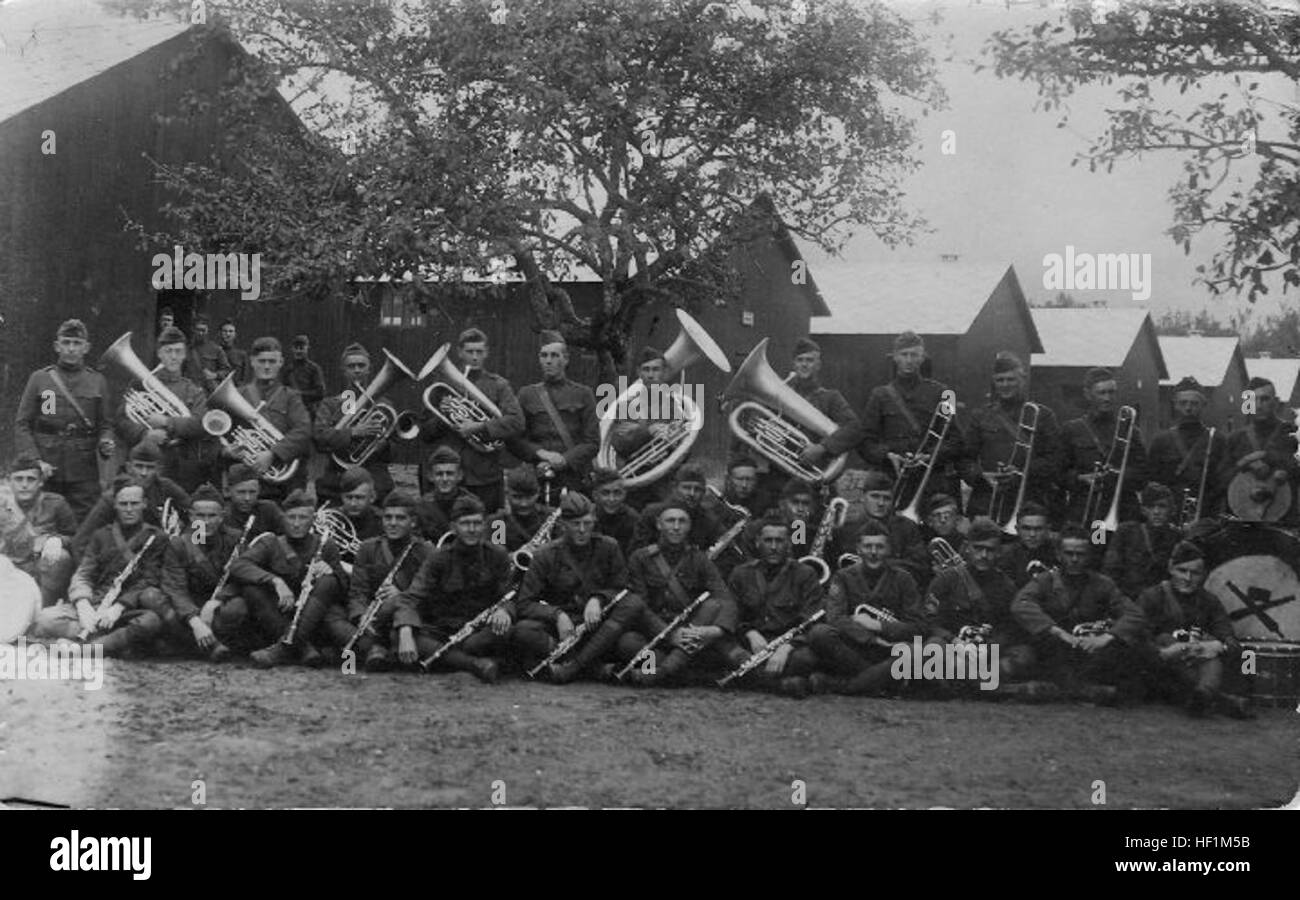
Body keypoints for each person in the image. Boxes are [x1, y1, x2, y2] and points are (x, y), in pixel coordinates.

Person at [805, 331, 964, 500]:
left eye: (914, 355)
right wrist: (887, 456)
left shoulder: (943, 393)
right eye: (904, 355)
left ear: (922, 357)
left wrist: (931, 456)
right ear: (895, 357)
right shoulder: (879, 395)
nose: (909, 360)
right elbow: (865, 441)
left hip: (930, 482)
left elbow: (956, 439)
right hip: (892, 482)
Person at [1007, 524, 1149, 702]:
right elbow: (1020, 604)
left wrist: (1105, 638)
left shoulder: (1103, 584)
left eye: (1080, 554)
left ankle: (1073, 690)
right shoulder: (1045, 581)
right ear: (1059, 554)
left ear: (1089, 555)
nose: (1074, 559)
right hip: (1054, 649)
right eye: (1069, 553)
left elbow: (1134, 614)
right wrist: (1058, 632)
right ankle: (1084, 691)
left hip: (1088, 650)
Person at [30, 476, 165, 656]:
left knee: (151, 621)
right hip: (96, 605)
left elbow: (150, 579)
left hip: (127, 610)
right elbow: (83, 574)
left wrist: (119, 607)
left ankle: (88, 649)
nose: (129, 509)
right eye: (123, 504)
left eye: (134, 503)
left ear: (144, 504)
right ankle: (113, 642)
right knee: (44, 619)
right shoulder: (101, 535)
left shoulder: (156, 538)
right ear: (115, 505)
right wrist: (83, 605)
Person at [391, 495, 519, 683]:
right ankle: (475, 664)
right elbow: (411, 597)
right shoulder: (438, 558)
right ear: (453, 526)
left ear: (484, 525)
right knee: (397, 635)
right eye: (465, 523)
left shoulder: (498, 555)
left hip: (477, 634)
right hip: (442, 629)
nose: (472, 529)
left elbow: (509, 594)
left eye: (477, 523)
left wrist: (504, 611)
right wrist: (405, 631)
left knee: (504, 631)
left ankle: (450, 660)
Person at [514, 491, 638, 682]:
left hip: (598, 625)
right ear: (563, 525)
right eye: (575, 524)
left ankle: (573, 665)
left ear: (594, 522)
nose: (582, 530)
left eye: (587, 524)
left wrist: (598, 599)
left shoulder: (609, 547)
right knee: (523, 631)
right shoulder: (546, 554)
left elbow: (623, 588)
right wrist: (557, 615)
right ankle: (593, 667)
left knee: (629, 643)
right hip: (563, 629)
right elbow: (525, 603)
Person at [620, 501, 742, 685]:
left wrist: (714, 630)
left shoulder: (699, 559)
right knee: (628, 644)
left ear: (689, 526)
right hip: (657, 633)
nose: (676, 527)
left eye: (682, 521)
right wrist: (670, 635)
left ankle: (661, 674)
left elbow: (725, 598)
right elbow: (640, 607)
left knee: (717, 620)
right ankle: (689, 675)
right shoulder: (640, 558)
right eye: (670, 521)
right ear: (659, 524)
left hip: (693, 634)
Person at [225, 490, 346, 667]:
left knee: (329, 582)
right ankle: (304, 649)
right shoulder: (271, 543)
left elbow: (343, 587)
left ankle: (284, 649)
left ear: (312, 520)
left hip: (315, 615)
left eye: (303, 518)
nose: (296, 524)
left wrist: (329, 572)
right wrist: (275, 581)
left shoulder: (326, 545)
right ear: (283, 519)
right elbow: (238, 566)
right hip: (280, 615)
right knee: (251, 590)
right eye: (291, 517)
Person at [805, 520, 927, 696]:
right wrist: (872, 639)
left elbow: (919, 626)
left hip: (892, 649)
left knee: (919, 653)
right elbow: (836, 617)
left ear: (889, 549)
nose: (874, 552)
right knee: (820, 633)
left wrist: (879, 626)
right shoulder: (843, 576)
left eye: (880, 546)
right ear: (858, 549)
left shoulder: (904, 579)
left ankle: (844, 685)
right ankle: (883, 682)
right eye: (868, 546)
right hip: (855, 648)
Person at [13, 319, 117, 518]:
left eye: (76, 344)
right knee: (43, 520)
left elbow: (106, 424)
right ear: (57, 346)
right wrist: (35, 461)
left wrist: (106, 441)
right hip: (47, 467)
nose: (71, 348)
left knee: (84, 522)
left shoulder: (97, 381)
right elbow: (22, 424)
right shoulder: (40, 379)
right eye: (66, 342)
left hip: (83, 471)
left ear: (86, 348)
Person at [1136, 541, 1252, 718]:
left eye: (1195, 573)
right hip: (1160, 670)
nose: (1188, 578)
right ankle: (1216, 698)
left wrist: (1217, 646)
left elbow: (1230, 639)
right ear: (1170, 568)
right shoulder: (1152, 597)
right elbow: (1137, 637)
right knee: (1165, 638)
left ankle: (1203, 696)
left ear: (1204, 575)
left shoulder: (1209, 601)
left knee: (1211, 655)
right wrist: (1166, 652)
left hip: (1198, 665)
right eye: (1182, 571)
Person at [418, 327, 523, 513]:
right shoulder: (441, 387)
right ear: (459, 353)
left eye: (479, 352)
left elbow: (517, 422)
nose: (474, 357)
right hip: (448, 479)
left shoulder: (498, 386)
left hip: (484, 476)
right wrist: (445, 416)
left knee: (490, 529)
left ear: (486, 353)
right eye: (469, 352)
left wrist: (479, 426)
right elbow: (425, 433)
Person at [727, 516, 823, 697]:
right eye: (768, 541)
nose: (773, 547)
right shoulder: (741, 574)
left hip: (789, 646)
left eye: (779, 541)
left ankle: (753, 680)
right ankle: (784, 686)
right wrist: (750, 633)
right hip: (751, 643)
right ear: (757, 543)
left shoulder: (806, 574)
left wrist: (786, 648)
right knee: (732, 655)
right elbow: (732, 613)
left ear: (788, 544)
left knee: (805, 659)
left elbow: (812, 619)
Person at [959, 352, 1060, 522]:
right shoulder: (980, 416)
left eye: (1011, 379)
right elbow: (964, 459)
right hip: (987, 500)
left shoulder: (1043, 415)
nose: (1005, 385)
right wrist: (982, 476)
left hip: (1029, 501)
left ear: (1022, 379)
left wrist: (1021, 473)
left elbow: (1056, 460)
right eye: (1000, 380)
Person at [922, 517, 1018, 694]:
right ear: (967, 547)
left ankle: (965, 684)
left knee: (1024, 655)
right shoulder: (946, 579)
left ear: (998, 552)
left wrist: (989, 649)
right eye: (978, 548)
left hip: (987, 652)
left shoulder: (1006, 586)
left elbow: (1009, 628)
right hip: (954, 647)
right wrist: (954, 640)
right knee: (932, 648)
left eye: (990, 550)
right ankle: (993, 687)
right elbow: (929, 621)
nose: (983, 555)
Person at [116, 325, 216, 492]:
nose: (173, 356)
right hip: (145, 463)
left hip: (181, 465)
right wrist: (146, 434)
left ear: (184, 355)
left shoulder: (193, 390)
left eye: (178, 351)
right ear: (159, 353)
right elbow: (121, 421)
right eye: (168, 351)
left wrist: (166, 421)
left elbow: (200, 424)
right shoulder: (140, 385)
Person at [343, 489, 434, 672]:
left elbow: (430, 597)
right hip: (374, 620)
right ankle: (381, 649)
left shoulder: (425, 552)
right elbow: (357, 592)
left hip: (413, 619)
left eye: (400, 518)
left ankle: (381, 649)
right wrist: (361, 616)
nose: (392, 523)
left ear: (413, 521)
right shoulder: (367, 548)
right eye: (388, 518)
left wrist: (400, 597)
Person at [508, 330, 600, 495]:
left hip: (573, 477)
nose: (548, 361)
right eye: (544, 356)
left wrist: (565, 460)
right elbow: (514, 438)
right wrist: (541, 454)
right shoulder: (526, 394)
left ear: (565, 359)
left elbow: (592, 442)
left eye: (554, 355)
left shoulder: (583, 394)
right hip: (537, 476)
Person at [1058, 367, 1148, 528]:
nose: (1107, 398)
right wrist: (1080, 478)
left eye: (1111, 392)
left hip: (1124, 512)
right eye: (1102, 393)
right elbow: (1059, 472)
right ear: (1088, 394)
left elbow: (1142, 473)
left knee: (1122, 551)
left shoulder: (1130, 431)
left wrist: (1117, 476)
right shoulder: (1072, 430)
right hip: (1091, 512)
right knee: (1096, 547)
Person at [156, 484, 238, 661]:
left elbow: (241, 578)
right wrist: (194, 620)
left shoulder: (235, 540)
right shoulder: (180, 544)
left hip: (219, 607)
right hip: (189, 606)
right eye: (200, 516)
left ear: (222, 516)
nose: (206, 522)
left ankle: (194, 645)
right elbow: (175, 588)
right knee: (158, 602)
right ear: (191, 516)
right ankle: (211, 645)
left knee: (238, 607)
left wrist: (217, 601)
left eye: (212, 516)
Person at [227, 337, 312, 500]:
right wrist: (226, 450)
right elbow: (221, 430)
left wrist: (273, 453)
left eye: (272, 361)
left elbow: (303, 429)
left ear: (281, 362)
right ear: (252, 361)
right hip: (246, 479)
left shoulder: (291, 396)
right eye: (262, 361)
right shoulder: (237, 395)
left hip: (282, 483)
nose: (267, 366)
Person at [72, 440, 191, 555]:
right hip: (124, 557)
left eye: (149, 467)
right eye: (139, 466)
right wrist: (90, 573)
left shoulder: (166, 488)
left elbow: (197, 513)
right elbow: (81, 542)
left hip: (162, 555)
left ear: (158, 469)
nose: (143, 473)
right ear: (129, 467)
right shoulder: (113, 496)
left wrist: (197, 545)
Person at [313, 343, 397, 505]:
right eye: (351, 366)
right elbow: (319, 438)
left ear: (369, 369)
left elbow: (395, 450)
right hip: (338, 478)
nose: (357, 370)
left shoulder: (383, 404)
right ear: (344, 371)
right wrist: (353, 432)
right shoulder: (331, 404)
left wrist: (383, 445)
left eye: (361, 365)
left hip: (375, 477)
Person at [1146, 377, 1230, 523]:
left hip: (1206, 512)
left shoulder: (1217, 440)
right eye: (1183, 403)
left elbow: (1222, 480)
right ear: (1175, 405)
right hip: (1169, 515)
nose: (1188, 408)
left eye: (1194, 403)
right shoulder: (1161, 440)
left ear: (1203, 405)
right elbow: (1152, 480)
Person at [1, 454, 77, 608]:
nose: (24, 485)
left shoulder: (56, 503)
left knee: (61, 558)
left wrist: (57, 540)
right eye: (18, 479)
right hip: (8, 568)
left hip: (40, 568)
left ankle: (42, 610)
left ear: (41, 481)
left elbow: (77, 538)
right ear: (9, 482)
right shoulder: (2, 505)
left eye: (31, 479)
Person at [830, 470, 928, 587]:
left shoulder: (907, 527)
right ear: (863, 497)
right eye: (875, 496)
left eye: (886, 498)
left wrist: (877, 564)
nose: (881, 503)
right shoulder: (847, 528)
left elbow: (920, 567)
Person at [1226, 376, 1300, 523]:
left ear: (1276, 402)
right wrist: (1245, 462)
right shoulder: (1236, 438)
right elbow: (1219, 481)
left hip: (1286, 518)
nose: (1258, 405)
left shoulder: (1294, 434)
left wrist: (1285, 469)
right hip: (1244, 516)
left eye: (1265, 399)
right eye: (1253, 401)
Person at [1102, 483, 1182, 599]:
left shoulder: (1176, 537)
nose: (1156, 512)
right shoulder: (1126, 531)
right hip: (1125, 598)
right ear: (1143, 510)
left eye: (1162, 506)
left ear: (1172, 510)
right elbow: (1110, 569)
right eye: (1151, 507)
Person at [632, 463, 721, 552]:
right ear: (674, 488)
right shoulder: (652, 514)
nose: (692, 494)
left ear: (703, 493)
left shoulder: (709, 521)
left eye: (697, 489)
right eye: (686, 487)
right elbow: (636, 552)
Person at [488, 465, 557, 554]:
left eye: (529, 497)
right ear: (506, 493)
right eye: (517, 497)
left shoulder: (551, 517)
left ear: (538, 492)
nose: (524, 504)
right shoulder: (499, 523)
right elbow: (496, 557)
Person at [415, 447, 478, 543]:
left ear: (460, 475)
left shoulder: (473, 504)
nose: (444, 479)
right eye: (439, 474)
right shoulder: (422, 507)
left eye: (450, 474)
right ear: (431, 476)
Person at [996, 501, 1058, 589]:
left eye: (1038, 529)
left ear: (1048, 530)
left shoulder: (1059, 555)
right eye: (1026, 528)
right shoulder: (1003, 556)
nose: (1032, 534)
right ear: (1017, 529)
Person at [223, 462, 285, 538]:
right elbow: (203, 542)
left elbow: (288, 535)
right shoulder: (218, 513)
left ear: (259, 490)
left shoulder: (269, 509)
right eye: (241, 492)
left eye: (252, 492)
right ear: (229, 491)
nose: (247, 498)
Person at [590, 467, 639, 554]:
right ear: (595, 495)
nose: (611, 499)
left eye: (617, 493)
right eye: (605, 493)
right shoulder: (586, 518)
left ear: (624, 494)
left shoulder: (633, 519)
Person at [183, 314, 231, 392]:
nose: (200, 333)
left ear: (207, 330)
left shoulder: (216, 349)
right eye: (198, 330)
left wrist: (214, 375)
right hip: (189, 392)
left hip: (207, 393)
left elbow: (227, 371)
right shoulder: (186, 349)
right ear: (193, 330)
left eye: (203, 330)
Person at [281, 334, 326, 414]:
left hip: (309, 410)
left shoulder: (314, 369)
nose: (298, 351)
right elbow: (282, 390)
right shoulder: (288, 369)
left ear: (307, 348)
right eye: (296, 348)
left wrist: (300, 394)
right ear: (292, 349)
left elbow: (320, 392)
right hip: (291, 410)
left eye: (301, 348)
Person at [218, 319, 248, 385]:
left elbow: (244, 379)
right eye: (225, 331)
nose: (228, 334)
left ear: (235, 334)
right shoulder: (214, 352)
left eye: (231, 331)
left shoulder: (241, 355)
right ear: (219, 333)